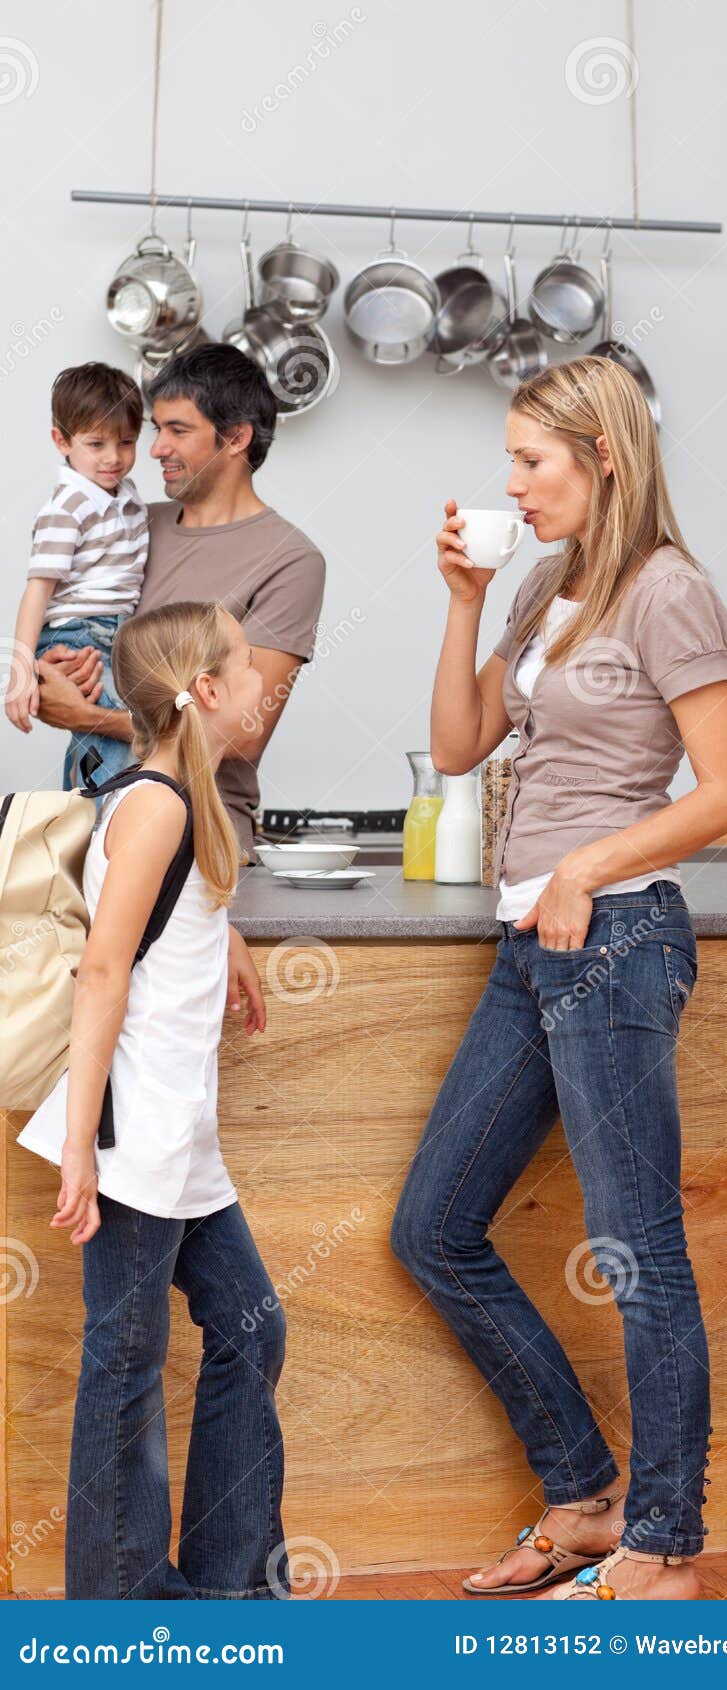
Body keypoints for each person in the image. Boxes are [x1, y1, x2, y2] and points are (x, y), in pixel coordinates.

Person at [391, 356, 727, 1602]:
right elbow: (456, 744)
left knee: (638, 1248)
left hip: (614, 942)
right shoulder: (545, 582)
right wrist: (463, 597)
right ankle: (588, 1497)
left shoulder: (669, 593)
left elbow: (726, 792)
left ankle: (663, 1547)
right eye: (507, 462)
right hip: (530, 950)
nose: (510, 483)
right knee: (433, 1228)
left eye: (529, 462)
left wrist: (587, 863)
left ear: (601, 458)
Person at [17, 600, 290, 1600]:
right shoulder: (160, 805)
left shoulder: (178, 798)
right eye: (248, 664)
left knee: (250, 1326)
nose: (265, 677)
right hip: (137, 1137)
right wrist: (84, 1142)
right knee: (125, 1365)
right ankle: (120, 1604)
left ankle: (229, 1582)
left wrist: (222, 934)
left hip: (177, 1143)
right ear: (206, 693)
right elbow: (102, 970)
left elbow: (152, 920)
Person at [33, 343, 326, 864]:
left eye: (179, 430)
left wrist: (89, 716)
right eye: (157, 429)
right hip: (93, 827)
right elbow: (71, 621)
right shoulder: (131, 525)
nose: (154, 449)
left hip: (196, 847)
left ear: (236, 437)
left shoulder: (291, 560)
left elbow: (242, 736)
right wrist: (50, 668)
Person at [5, 363, 146, 787]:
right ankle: (105, 829)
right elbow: (37, 591)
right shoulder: (66, 508)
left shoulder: (126, 494)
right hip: (81, 633)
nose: (113, 457)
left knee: (99, 735)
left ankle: (83, 828)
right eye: (96, 443)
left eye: (127, 442)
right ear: (61, 441)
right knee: (116, 735)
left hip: (118, 633)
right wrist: (21, 670)